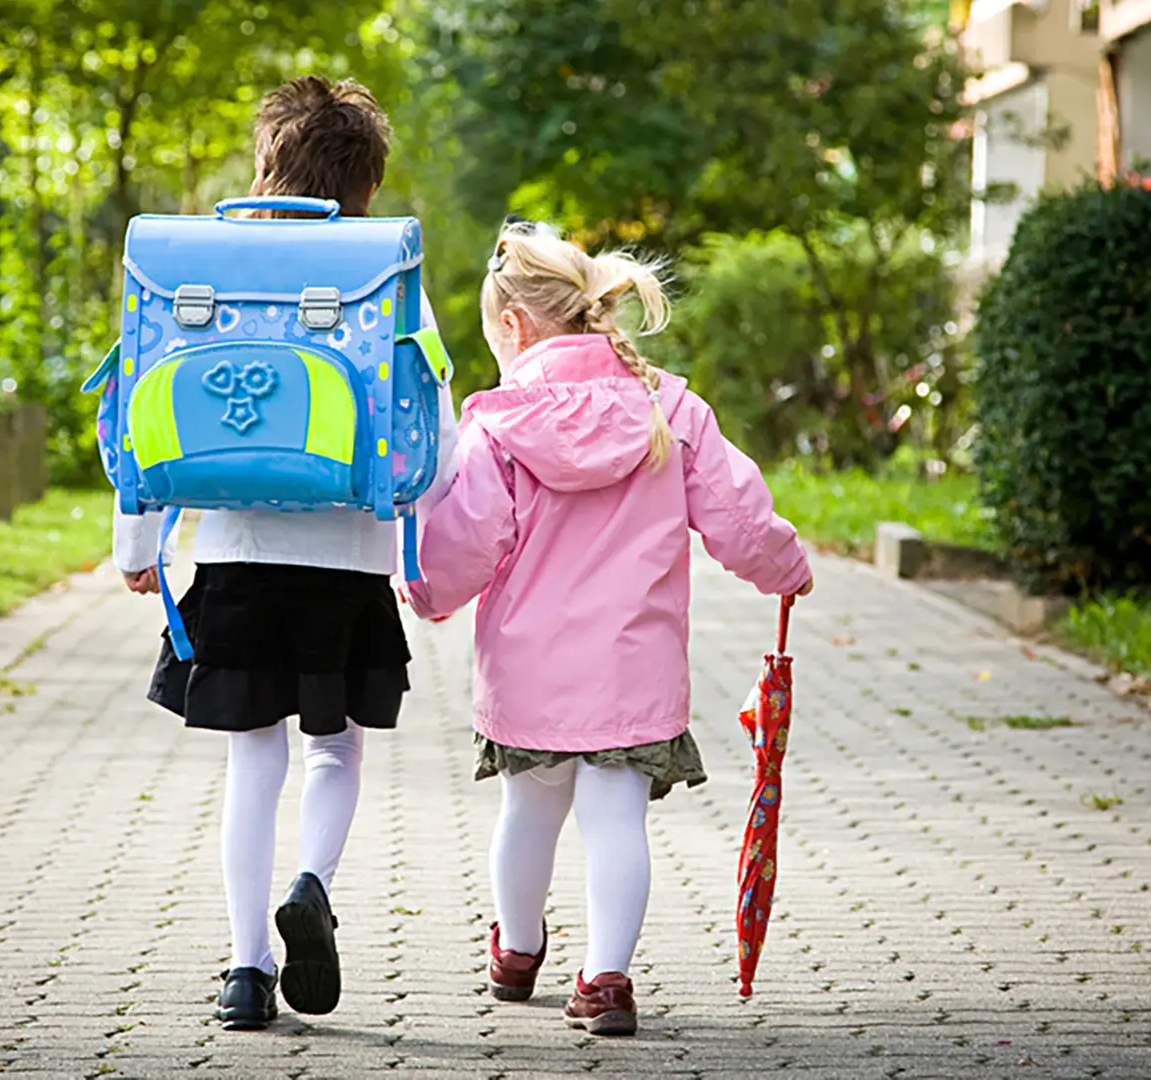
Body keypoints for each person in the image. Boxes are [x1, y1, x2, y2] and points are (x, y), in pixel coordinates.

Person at [402, 221, 813, 1037]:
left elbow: (467, 539)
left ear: (513, 327)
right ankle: (606, 978)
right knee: (616, 820)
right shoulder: (672, 408)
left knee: (528, 813)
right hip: (635, 668)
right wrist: (785, 567)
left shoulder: (500, 425)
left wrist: (425, 590)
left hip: (528, 669)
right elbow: (737, 511)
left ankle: (517, 950)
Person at [116, 76, 458, 1032]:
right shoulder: (386, 272)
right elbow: (434, 430)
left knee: (251, 764)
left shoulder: (200, 266)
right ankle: (312, 884)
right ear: (367, 185)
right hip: (349, 557)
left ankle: (244, 969)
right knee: (334, 748)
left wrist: (138, 546)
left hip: (234, 551)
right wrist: (428, 543)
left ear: (265, 165)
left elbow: (144, 404)